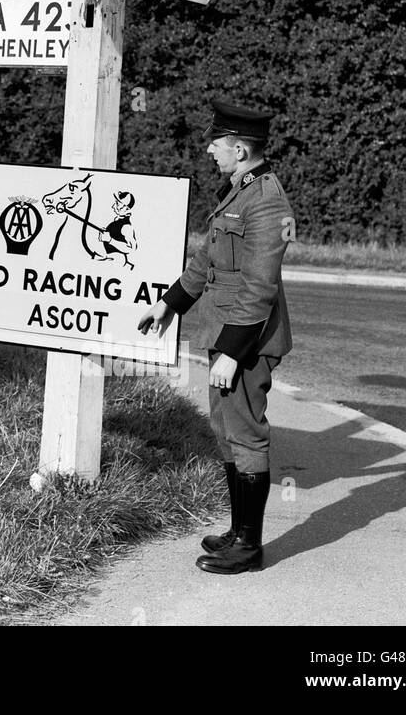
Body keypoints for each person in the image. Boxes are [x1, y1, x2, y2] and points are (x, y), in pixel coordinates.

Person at [138, 100, 293, 575]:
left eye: (217, 143)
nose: (209, 149)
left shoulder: (266, 200)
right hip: (224, 332)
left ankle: (250, 546)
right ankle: (237, 529)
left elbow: (259, 286)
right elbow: (208, 259)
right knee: (226, 432)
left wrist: (232, 352)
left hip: (245, 342)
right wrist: (169, 304)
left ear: (241, 150)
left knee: (246, 434)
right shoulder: (238, 192)